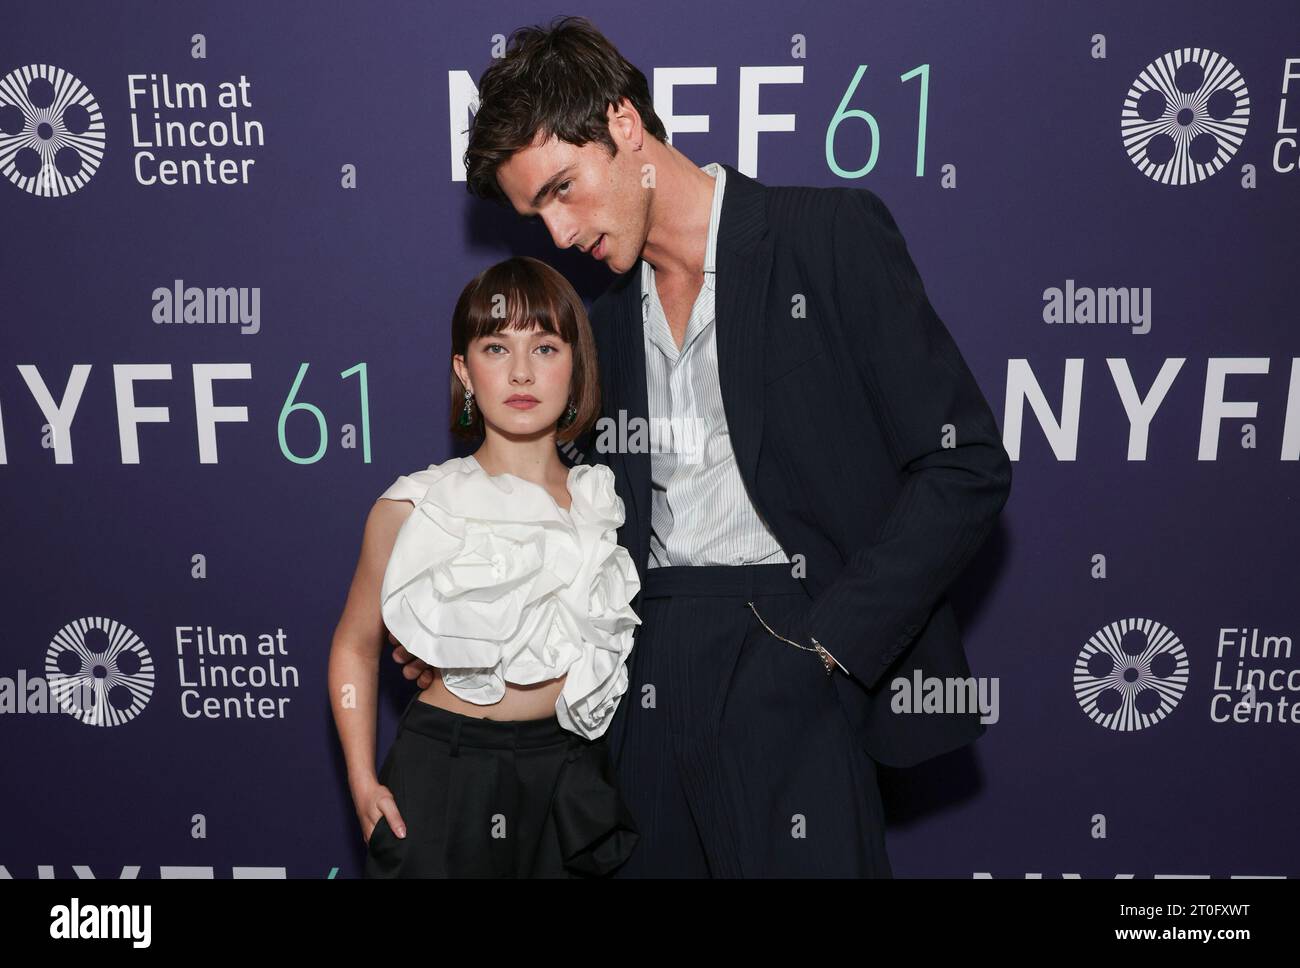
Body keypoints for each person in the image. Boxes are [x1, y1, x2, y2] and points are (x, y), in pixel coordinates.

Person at [395, 16, 1014, 877]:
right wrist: (463, 630)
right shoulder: (598, 326)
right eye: (537, 213)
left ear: (622, 123)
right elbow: (571, 518)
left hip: (796, 647)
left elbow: (965, 464)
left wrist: (830, 644)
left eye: (564, 189)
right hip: (645, 671)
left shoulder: (826, 237)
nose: (561, 235)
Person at [328, 255, 642, 877]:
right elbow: (355, 647)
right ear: (464, 371)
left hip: (571, 777)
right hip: (447, 777)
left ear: (576, 366)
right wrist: (362, 783)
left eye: (546, 347)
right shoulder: (416, 507)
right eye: (496, 347)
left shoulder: (606, 502)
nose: (522, 371)